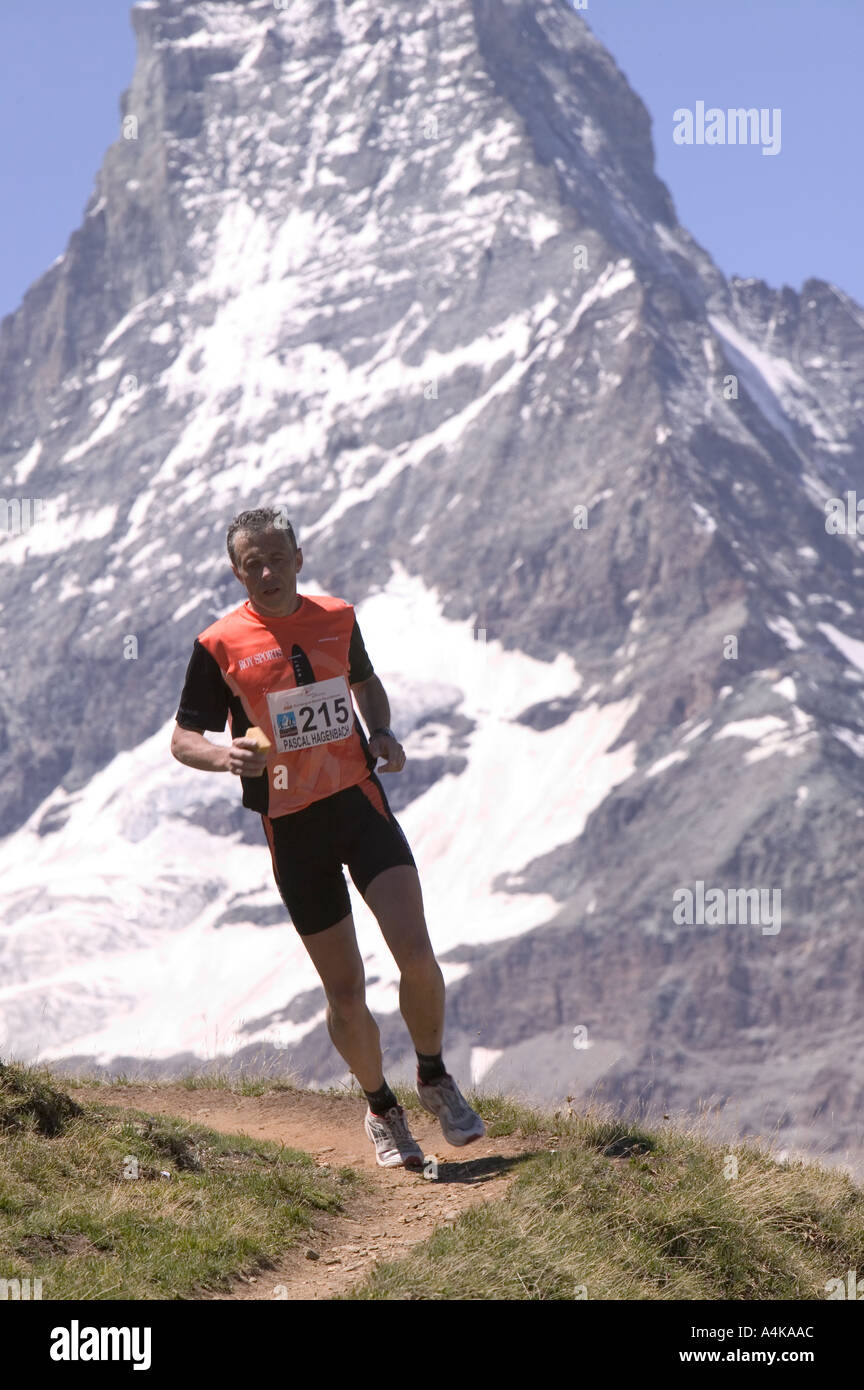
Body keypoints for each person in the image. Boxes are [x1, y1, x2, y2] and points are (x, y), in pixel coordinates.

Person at [170, 506, 486, 1169]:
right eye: (251, 563)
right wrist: (225, 757)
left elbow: (367, 688)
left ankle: (433, 1077)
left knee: (419, 957)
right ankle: (381, 1106)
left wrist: (383, 732)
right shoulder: (218, 644)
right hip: (294, 830)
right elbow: (182, 738)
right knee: (345, 993)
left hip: (360, 807)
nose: (265, 571)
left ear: (298, 559)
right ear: (236, 571)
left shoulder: (337, 618)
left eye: (276, 557)